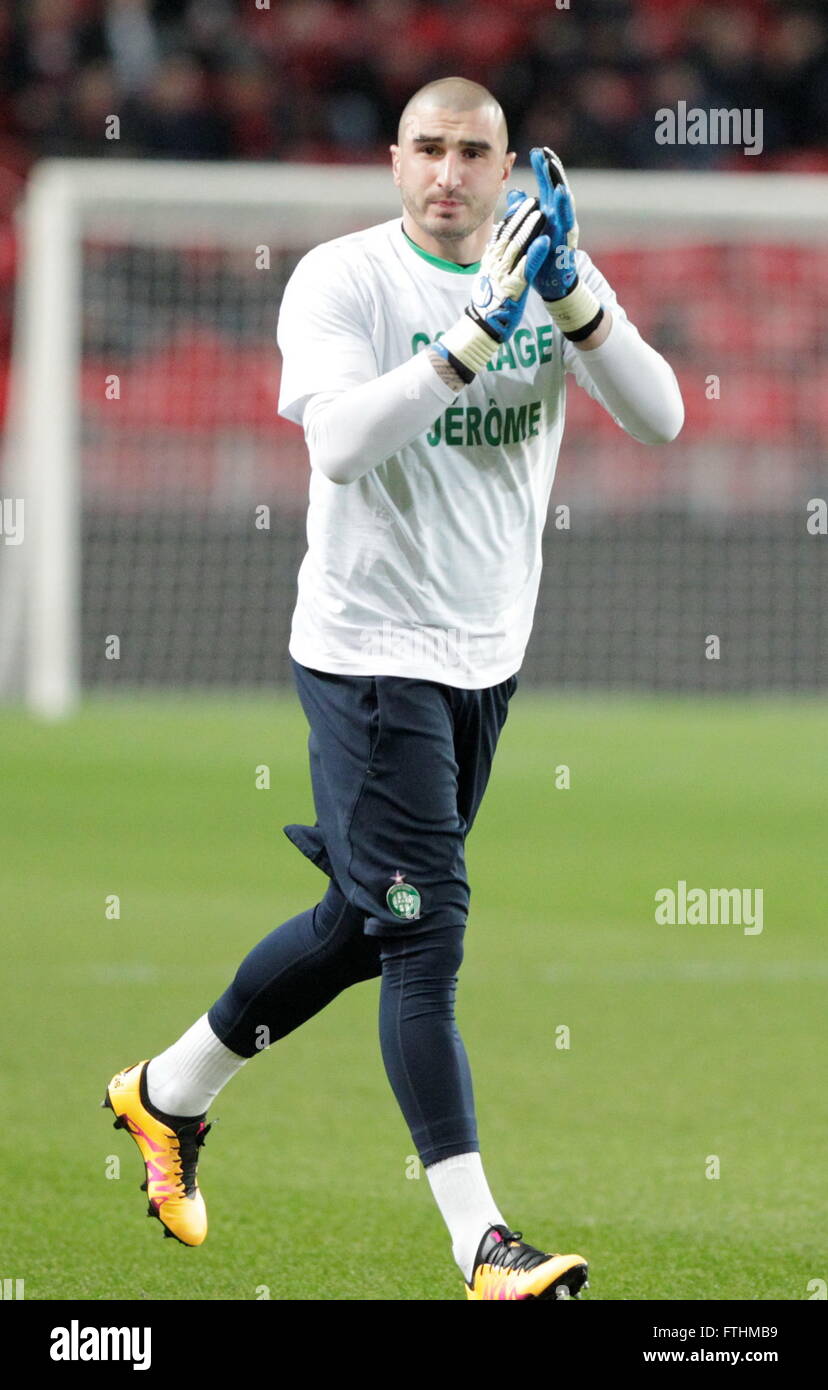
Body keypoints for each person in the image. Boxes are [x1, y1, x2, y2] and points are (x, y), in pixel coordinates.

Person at [102, 75, 684, 1301]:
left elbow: (665, 417)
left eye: (475, 152)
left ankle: (167, 1094)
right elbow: (340, 445)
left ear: (508, 163)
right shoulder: (344, 280)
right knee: (428, 934)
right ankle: (485, 1245)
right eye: (429, 148)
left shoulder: (549, 271)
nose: (450, 173)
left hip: (485, 660)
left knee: (367, 924)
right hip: (371, 654)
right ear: (394, 159)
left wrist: (574, 297)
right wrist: (475, 331)